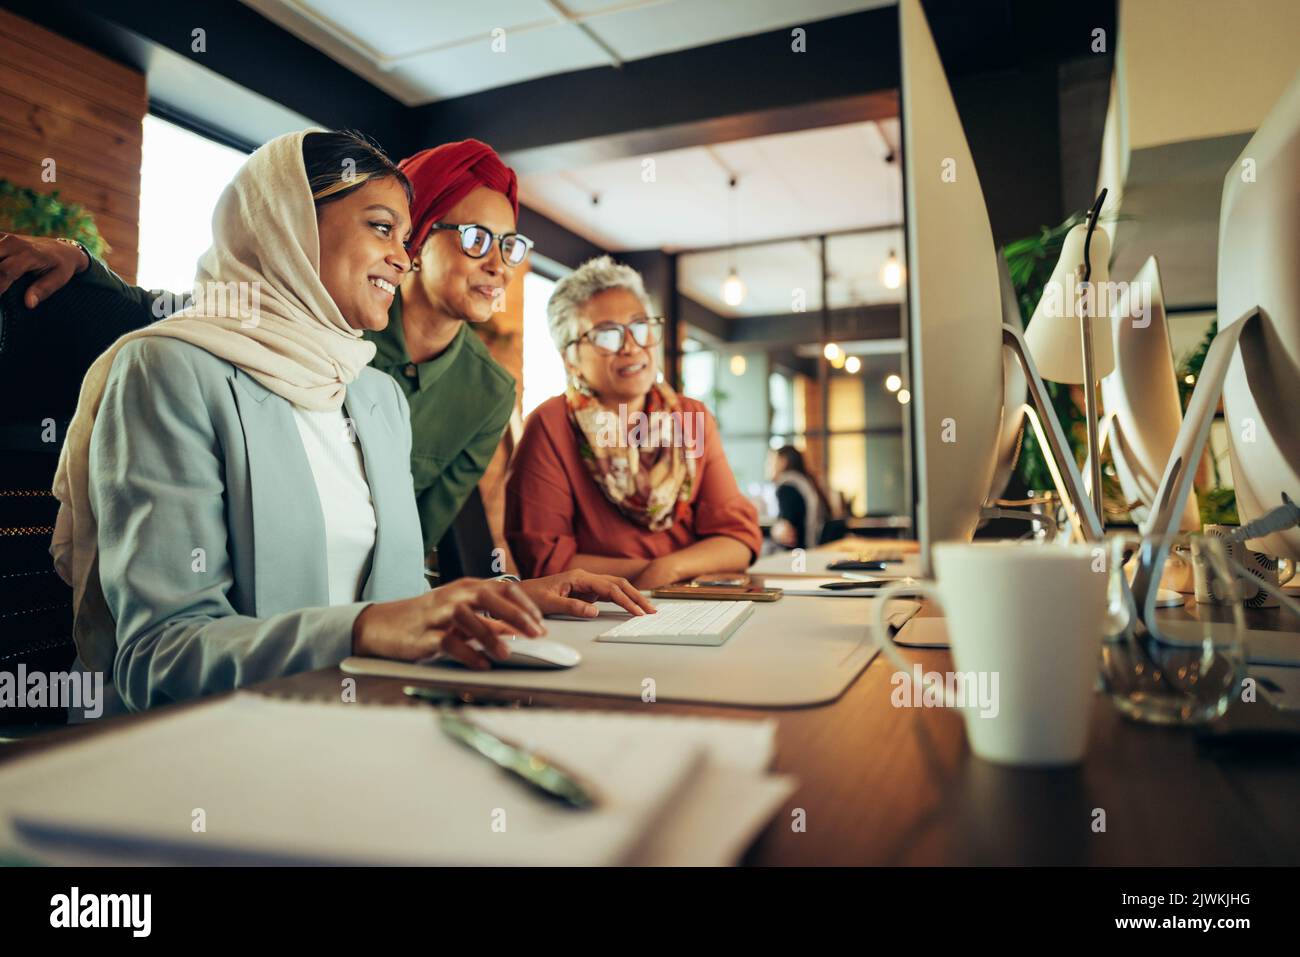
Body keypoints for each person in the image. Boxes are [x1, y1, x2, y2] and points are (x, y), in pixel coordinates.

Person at [50, 130, 650, 715]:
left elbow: (399, 604)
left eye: (406, 236)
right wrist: (363, 630)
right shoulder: (169, 369)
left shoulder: (374, 395)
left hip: (370, 711)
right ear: (290, 225)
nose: (402, 256)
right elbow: (159, 655)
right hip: (230, 740)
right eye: (383, 228)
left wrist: (507, 600)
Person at [0, 138, 524, 559]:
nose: (499, 264)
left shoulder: (437, 388)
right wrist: (80, 262)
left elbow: (406, 549)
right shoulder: (261, 327)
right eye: (477, 238)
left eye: (510, 246)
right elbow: (184, 316)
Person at [506, 256, 762, 588]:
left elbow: (738, 541)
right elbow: (547, 564)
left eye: (640, 326)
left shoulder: (691, 417)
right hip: (596, 617)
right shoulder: (551, 425)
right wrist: (662, 572)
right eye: (606, 335)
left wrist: (667, 570)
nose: (631, 346)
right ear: (571, 359)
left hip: (691, 605)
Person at [767, 445, 832, 549]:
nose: (769, 466)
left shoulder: (787, 487)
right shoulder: (807, 482)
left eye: (771, 462)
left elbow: (786, 531)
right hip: (815, 547)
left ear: (783, 461)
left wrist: (774, 531)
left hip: (798, 555)